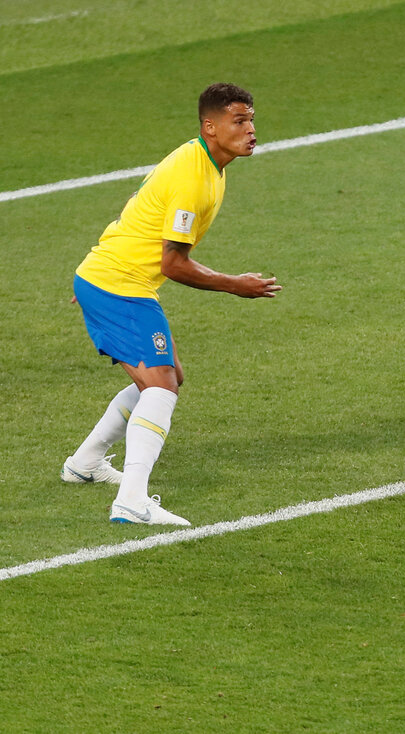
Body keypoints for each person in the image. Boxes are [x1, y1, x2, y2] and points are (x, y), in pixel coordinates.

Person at [62, 83, 281, 526]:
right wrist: (235, 285)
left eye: (252, 119)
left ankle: (84, 462)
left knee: (168, 378)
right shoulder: (191, 178)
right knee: (161, 387)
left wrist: (94, 276)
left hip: (114, 279)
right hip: (121, 284)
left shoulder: (206, 162)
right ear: (210, 126)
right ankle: (132, 501)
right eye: (239, 121)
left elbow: (138, 212)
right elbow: (174, 264)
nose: (251, 130)